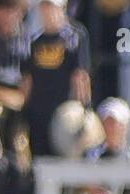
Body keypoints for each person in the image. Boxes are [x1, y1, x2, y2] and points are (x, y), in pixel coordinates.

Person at [20, 0, 90, 157]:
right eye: (44, 8)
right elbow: (27, 79)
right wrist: (23, 113)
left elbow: (80, 77)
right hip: (38, 113)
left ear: (62, 8)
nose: (48, 12)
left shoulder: (74, 37)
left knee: (65, 160)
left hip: (64, 116)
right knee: (39, 160)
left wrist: (85, 109)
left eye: (51, 8)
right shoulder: (32, 40)